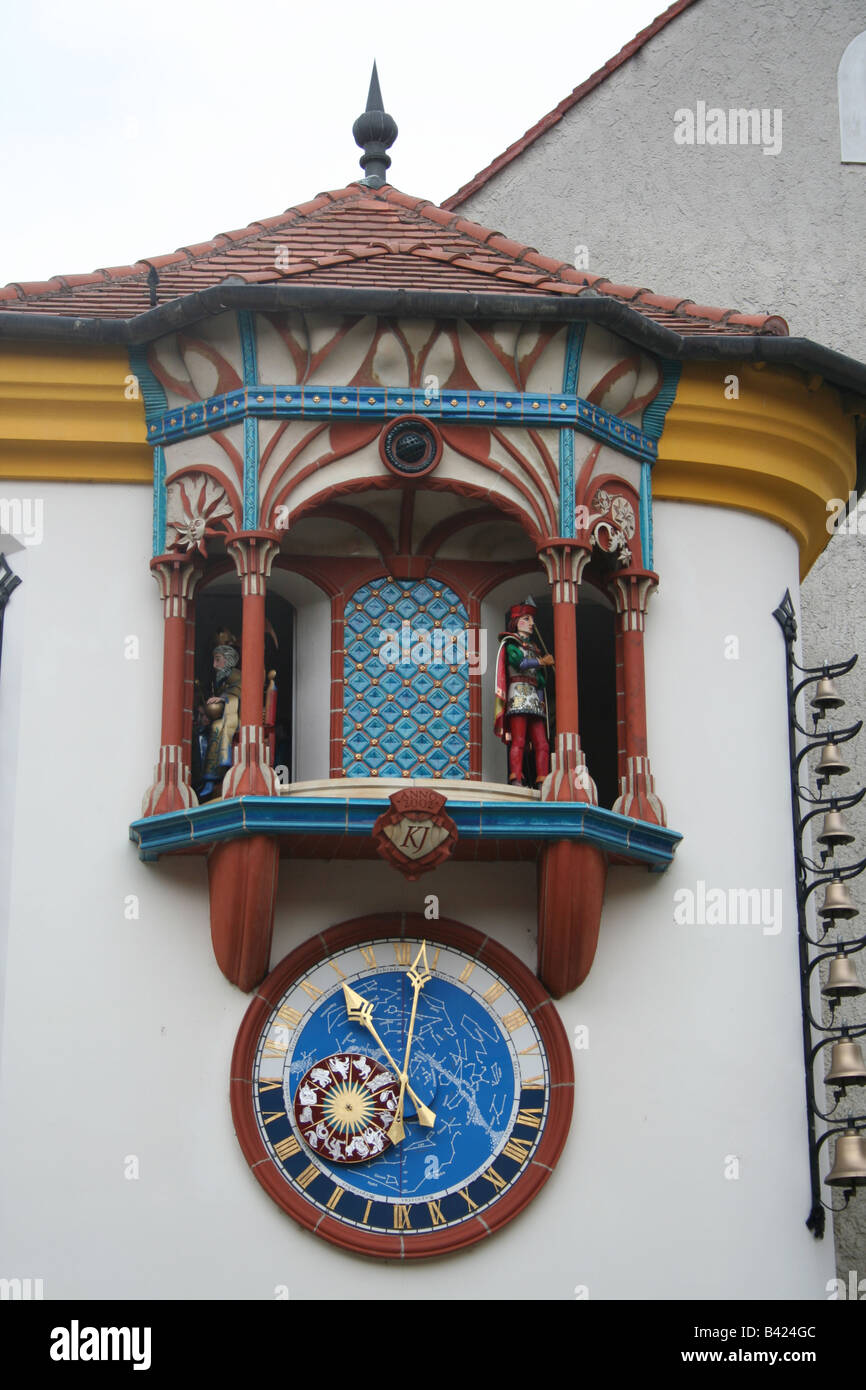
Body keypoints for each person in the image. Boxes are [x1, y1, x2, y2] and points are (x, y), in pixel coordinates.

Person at [493, 600, 554, 787]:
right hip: (518, 694)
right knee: (518, 740)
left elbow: (541, 681)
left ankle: (542, 778)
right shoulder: (511, 643)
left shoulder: (534, 648)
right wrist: (541, 662)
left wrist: (542, 700)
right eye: (527, 619)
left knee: (542, 743)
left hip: (534, 698)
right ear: (517, 622)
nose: (531, 623)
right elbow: (518, 663)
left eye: (532, 620)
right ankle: (516, 777)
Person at [196, 642, 242, 800]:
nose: (214, 664)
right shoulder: (220, 678)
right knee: (204, 730)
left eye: (218, 659)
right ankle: (207, 776)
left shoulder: (235, 674)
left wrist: (222, 699)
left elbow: (239, 691)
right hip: (224, 714)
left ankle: (213, 776)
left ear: (228, 660)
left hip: (237, 716)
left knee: (216, 728)